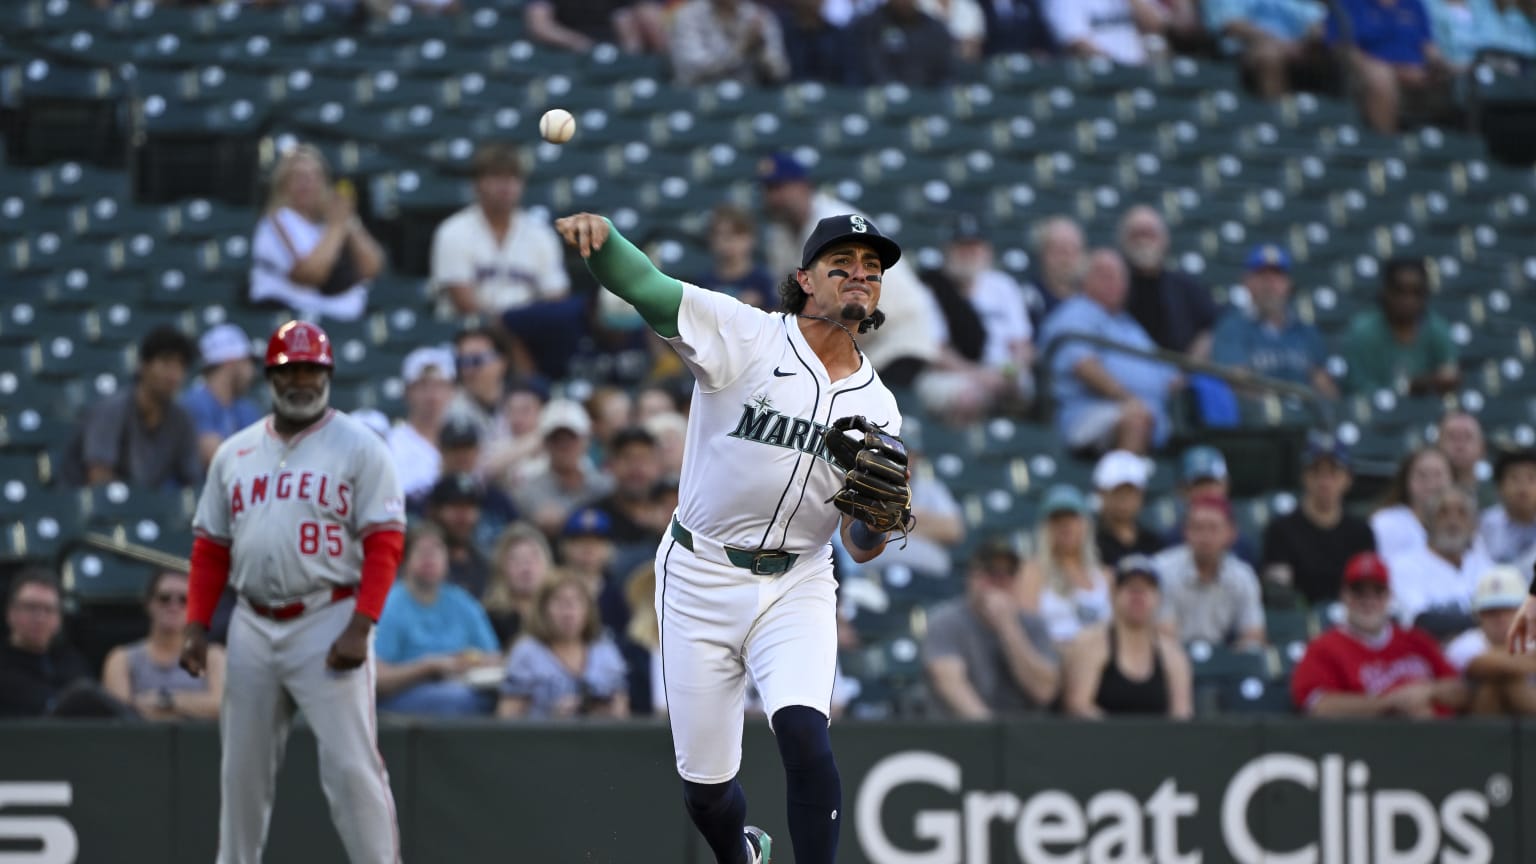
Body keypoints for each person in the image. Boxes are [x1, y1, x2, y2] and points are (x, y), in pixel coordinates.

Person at [555, 207, 910, 864]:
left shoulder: (879, 406)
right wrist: (605, 245)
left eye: (872, 268)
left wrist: (879, 521)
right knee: (706, 790)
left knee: (806, 736)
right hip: (701, 574)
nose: (860, 275)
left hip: (798, 580)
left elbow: (859, 542)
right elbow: (652, 290)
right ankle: (739, 852)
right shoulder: (747, 335)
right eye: (844, 264)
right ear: (806, 278)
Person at [179, 320, 406, 864]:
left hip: (328, 616)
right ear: (270, 375)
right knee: (241, 773)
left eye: (311, 369)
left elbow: (385, 542)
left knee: (352, 768)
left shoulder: (359, 446)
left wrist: (362, 622)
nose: (301, 379)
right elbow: (211, 547)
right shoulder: (234, 452)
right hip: (253, 623)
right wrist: (195, 623)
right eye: (290, 369)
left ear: (327, 373)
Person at [758, 152, 938, 386]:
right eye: (769, 189)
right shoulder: (779, 234)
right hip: (861, 344)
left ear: (804, 187)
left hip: (898, 339)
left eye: (780, 187)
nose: (774, 197)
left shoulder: (834, 225)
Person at [1038, 249, 1181, 456]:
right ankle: (1123, 486)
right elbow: (1084, 366)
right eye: (1104, 275)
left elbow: (1169, 375)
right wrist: (1128, 399)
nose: (1113, 282)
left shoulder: (1129, 325)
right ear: (1085, 280)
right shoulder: (1076, 313)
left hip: (1151, 414)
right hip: (1085, 413)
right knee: (1136, 419)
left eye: (1119, 276)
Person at [1291, 552, 1468, 716]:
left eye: (1377, 592)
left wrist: (1428, 692)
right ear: (1344, 596)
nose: (1369, 600)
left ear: (1389, 596)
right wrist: (1388, 702)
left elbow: (1461, 690)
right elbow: (1316, 705)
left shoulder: (1416, 640)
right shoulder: (1323, 648)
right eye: (1359, 592)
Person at [915, 213, 1036, 423]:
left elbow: (1023, 346)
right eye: (961, 247)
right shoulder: (931, 288)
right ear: (948, 250)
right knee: (968, 397)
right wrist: (980, 376)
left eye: (975, 246)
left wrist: (1008, 372)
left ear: (987, 250)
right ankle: (960, 449)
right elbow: (936, 353)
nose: (969, 253)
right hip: (951, 373)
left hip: (1001, 370)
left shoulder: (1003, 285)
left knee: (1022, 385)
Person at [922, 540, 1061, 719]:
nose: (1000, 581)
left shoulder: (1033, 625)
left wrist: (1009, 627)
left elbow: (1044, 692)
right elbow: (950, 683)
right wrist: (994, 735)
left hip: (1025, 734)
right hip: (962, 734)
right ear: (972, 578)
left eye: (1009, 573)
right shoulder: (945, 622)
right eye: (991, 572)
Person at [374, 523, 502, 717]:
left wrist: (467, 662)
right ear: (406, 559)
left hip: (465, 687)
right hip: (401, 701)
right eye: (422, 551)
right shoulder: (390, 604)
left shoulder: (462, 601)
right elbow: (376, 679)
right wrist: (428, 667)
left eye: (436, 550)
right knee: (458, 699)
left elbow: (494, 658)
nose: (430, 558)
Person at [430, 144, 569, 321]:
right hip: (467, 336)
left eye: (512, 177)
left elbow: (556, 296)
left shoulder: (541, 234)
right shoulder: (453, 231)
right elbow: (464, 303)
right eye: (496, 177)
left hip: (527, 336)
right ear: (477, 184)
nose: (505, 186)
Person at [249, 144, 382, 322]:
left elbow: (371, 268)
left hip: (333, 319)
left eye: (314, 176)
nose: (307, 183)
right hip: (288, 319)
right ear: (282, 184)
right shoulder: (276, 221)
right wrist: (336, 227)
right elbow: (309, 275)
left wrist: (349, 221)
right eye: (298, 177)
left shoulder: (328, 221)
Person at [62, 325, 201, 489]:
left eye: (181, 365)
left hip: (145, 508)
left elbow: (193, 481)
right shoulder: (111, 409)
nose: (174, 374)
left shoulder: (181, 419)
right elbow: (99, 478)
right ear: (143, 365)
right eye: (166, 362)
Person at [1062, 555, 1195, 718]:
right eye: (1130, 588)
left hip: (1158, 741)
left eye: (1146, 589)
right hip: (1102, 740)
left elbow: (1182, 715)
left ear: (1158, 598)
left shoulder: (1172, 655)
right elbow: (1078, 705)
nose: (1138, 596)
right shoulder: (1092, 645)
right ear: (1113, 594)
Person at [1261, 433, 1376, 606]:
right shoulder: (1281, 530)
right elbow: (1279, 592)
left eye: (1333, 473)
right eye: (1316, 471)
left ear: (1348, 479)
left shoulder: (1361, 532)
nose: (1325, 481)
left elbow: (1367, 588)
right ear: (1304, 477)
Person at [496, 571, 630, 719]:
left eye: (576, 602)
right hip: (543, 739)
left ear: (588, 609)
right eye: (559, 603)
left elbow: (622, 709)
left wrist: (604, 710)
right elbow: (507, 717)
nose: (568, 612)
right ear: (543, 609)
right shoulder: (527, 652)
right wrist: (552, 716)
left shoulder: (605, 650)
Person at [1212, 244, 1338, 398]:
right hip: (1258, 419)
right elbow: (1238, 383)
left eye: (1276, 276)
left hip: (1306, 415)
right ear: (1247, 283)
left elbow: (1326, 388)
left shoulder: (1305, 330)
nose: (1270, 285)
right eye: (1262, 276)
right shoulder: (1232, 327)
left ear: (1288, 284)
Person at [102, 570, 226, 721]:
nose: (173, 606)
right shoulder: (120, 658)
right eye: (164, 598)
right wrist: (196, 706)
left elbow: (223, 707)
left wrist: (165, 701)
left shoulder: (213, 656)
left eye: (183, 600)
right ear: (149, 603)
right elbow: (120, 716)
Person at [1155, 494, 1267, 648]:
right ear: (1186, 532)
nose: (1205, 536)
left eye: (1213, 528)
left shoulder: (1243, 575)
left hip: (1224, 660)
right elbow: (1163, 635)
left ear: (1231, 533)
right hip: (1171, 656)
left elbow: (1253, 634)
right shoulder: (1161, 569)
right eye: (1198, 528)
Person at [1327, 0, 1452, 133]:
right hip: (1371, 67)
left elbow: (1427, 43)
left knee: (1457, 77)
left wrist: (1438, 63)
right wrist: (1383, 69)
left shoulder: (1413, 3)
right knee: (1381, 78)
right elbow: (1342, 45)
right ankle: (1387, 145)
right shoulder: (1348, 3)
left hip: (1416, 70)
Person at [1385, 486, 1491, 640]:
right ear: (1428, 521)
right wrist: (1487, 620)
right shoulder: (1403, 566)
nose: (1453, 521)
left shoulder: (1485, 566)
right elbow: (1422, 622)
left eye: (1462, 513)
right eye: (1443, 512)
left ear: (1473, 524)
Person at [1343, 257, 1459, 395]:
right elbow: (1359, 390)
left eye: (1416, 292)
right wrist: (1410, 386)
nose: (1408, 300)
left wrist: (1449, 378)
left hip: (1429, 411)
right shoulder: (1363, 331)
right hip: (1377, 414)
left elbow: (1449, 371)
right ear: (1386, 291)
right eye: (1400, 291)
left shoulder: (1437, 328)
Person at [1117, 206, 1218, 359]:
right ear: (1124, 241)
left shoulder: (1183, 284)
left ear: (1164, 240)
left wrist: (1191, 365)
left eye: (1149, 234)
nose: (1143, 241)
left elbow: (1216, 321)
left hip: (1176, 375)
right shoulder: (1111, 282)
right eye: (1137, 235)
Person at [1016, 484, 1112, 645]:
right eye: (1056, 519)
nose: (1065, 525)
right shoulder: (1033, 571)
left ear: (1085, 524)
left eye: (1071, 517)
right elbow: (1028, 633)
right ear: (1045, 528)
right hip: (1055, 658)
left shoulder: (1105, 576)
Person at [513, 398, 615, 536]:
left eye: (571, 437)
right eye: (556, 438)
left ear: (586, 440)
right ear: (545, 443)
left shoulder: (604, 484)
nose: (564, 445)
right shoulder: (529, 490)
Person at [0, 570, 92, 718]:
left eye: (49, 610)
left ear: (59, 619)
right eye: (30, 607)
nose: (40, 618)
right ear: (11, 612)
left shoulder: (73, 662)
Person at [1447, 565, 1536, 714]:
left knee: (1512, 682)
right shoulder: (1465, 643)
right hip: (1479, 726)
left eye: (1508, 609)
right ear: (1478, 615)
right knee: (1496, 682)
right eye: (1491, 612)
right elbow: (1484, 665)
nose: (1500, 618)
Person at [1204, 0, 1328, 99]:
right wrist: (1281, 44)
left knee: (1343, 55)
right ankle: (1280, 120)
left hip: (1299, 47)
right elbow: (1231, 25)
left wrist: (1310, 38)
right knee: (1270, 55)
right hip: (1248, 47)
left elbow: (1315, 19)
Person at [182, 324, 262, 470]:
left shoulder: (246, 409)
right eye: (247, 362)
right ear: (230, 363)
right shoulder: (194, 403)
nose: (252, 372)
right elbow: (216, 458)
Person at [388, 345, 457, 500]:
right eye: (423, 386)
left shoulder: (465, 437)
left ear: (452, 391)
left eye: (440, 385)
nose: (433, 395)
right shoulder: (393, 444)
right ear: (407, 392)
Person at [668, 0, 791, 86]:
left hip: (749, 98)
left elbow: (779, 73)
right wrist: (740, 49)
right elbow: (693, 71)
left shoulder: (759, 16)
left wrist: (762, 52)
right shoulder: (688, 16)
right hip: (697, 100)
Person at [483, 522, 556, 649]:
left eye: (533, 557)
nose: (526, 567)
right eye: (516, 559)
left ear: (547, 564)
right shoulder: (489, 617)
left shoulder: (561, 611)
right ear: (501, 567)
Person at [852, 0, 956, 86]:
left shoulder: (934, 29)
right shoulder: (869, 25)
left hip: (927, 98)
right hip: (879, 98)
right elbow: (867, 66)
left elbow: (944, 71)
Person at [1371, 445, 1454, 553]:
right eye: (1422, 475)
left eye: (1437, 475)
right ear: (1407, 480)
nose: (1430, 483)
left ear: (1452, 480)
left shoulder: (1466, 528)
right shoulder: (1384, 523)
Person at [1092, 449, 1164, 566]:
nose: (1124, 499)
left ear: (1141, 495)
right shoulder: (1090, 544)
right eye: (1117, 492)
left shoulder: (1154, 544)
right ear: (1101, 494)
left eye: (1131, 492)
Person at [699, 203, 777, 311]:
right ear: (711, 239)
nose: (729, 241)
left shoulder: (762, 279)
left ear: (751, 239)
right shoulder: (705, 282)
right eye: (721, 235)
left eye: (737, 235)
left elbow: (775, 319)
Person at [523, 0, 669, 54]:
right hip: (561, 50)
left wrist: (629, 56)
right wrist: (576, 42)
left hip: (610, 45)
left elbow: (623, 19)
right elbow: (540, 25)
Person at [1020, 215, 1086, 332]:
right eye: (1060, 250)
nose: (1068, 258)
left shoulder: (1092, 299)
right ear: (1041, 254)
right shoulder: (1028, 300)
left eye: (1074, 249)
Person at [1480, 448, 1536, 571]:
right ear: (1499, 487)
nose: (1523, 486)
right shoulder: (1484, 526)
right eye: (1514, 478)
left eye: (1531, 478)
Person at [1437, 410, 1487, 499]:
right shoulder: (1427, 494)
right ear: (1438, 445)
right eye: (1452, 437)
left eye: (1467, 437)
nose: (1460, 445)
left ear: (1482, 447)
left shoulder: (1498, 496)